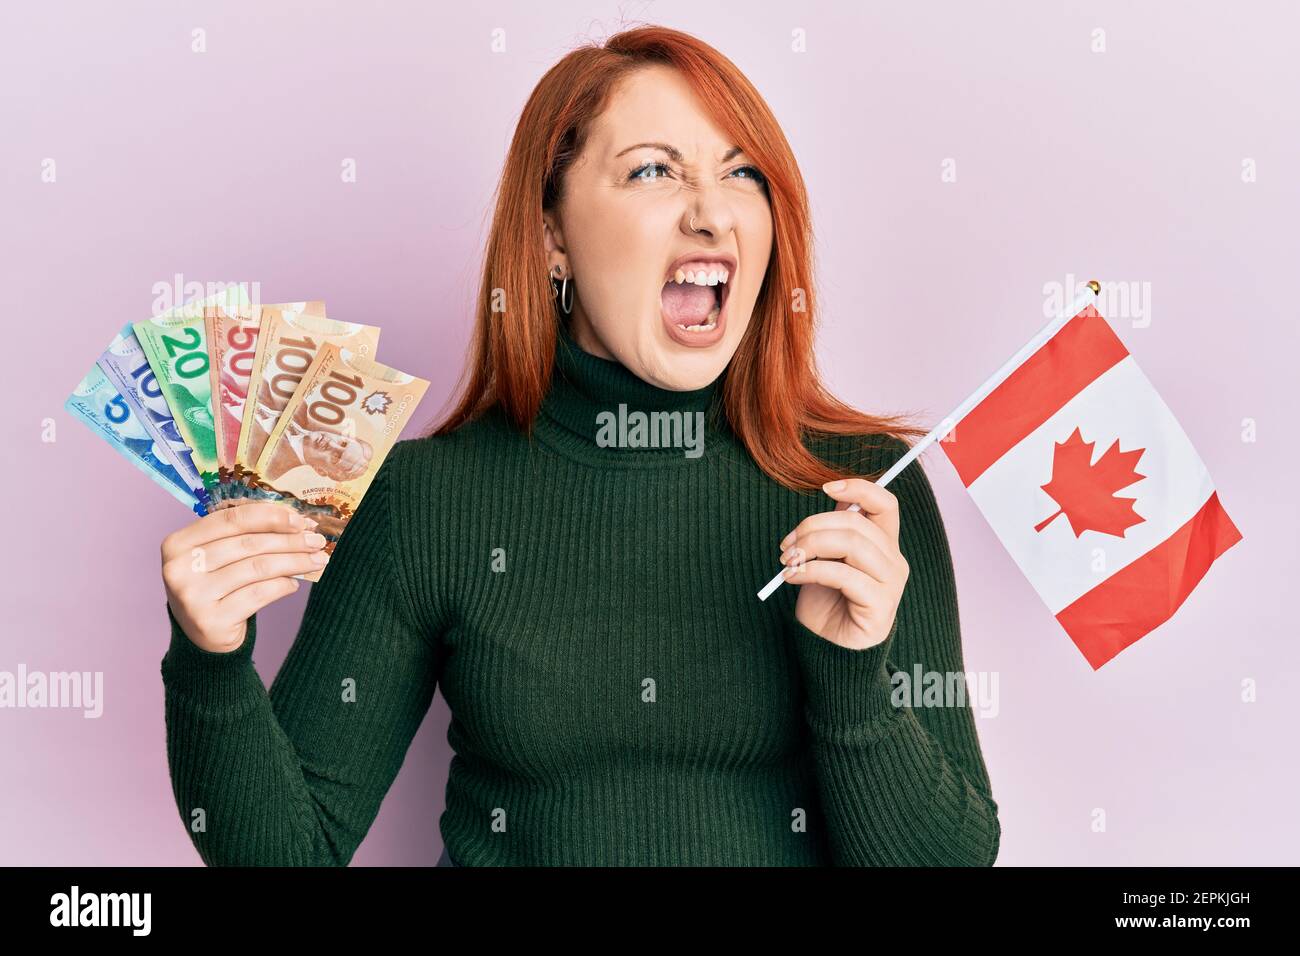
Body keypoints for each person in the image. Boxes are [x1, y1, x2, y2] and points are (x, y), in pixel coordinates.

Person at [158, 25, 1001, 867]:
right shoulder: (423, 501)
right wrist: (210, 658)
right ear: (553, 236)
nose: (711, 211)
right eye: (652, 170)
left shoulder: (858, 493)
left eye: (742, 172)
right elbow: (283, 855)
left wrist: (852, 672)